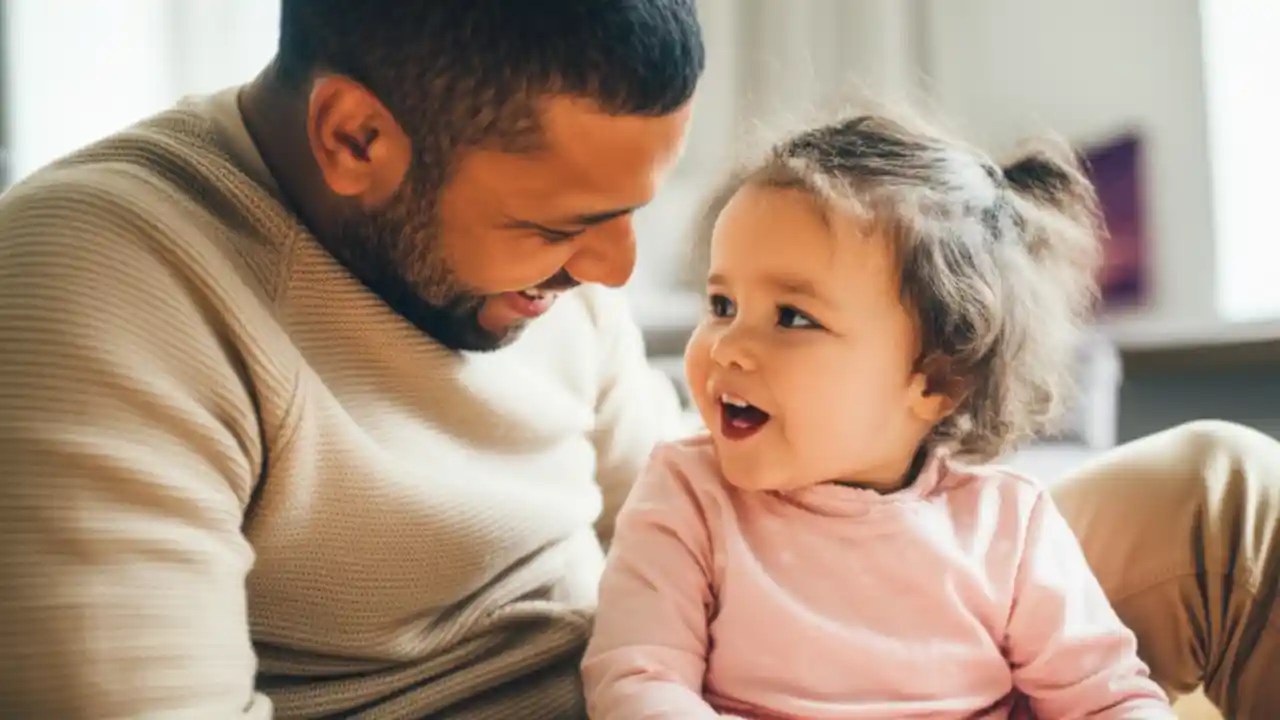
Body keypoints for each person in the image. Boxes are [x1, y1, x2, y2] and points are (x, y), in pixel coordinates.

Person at [0, 3, 1274, 719]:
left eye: (633, 218)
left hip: (735, 659)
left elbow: (710, 494)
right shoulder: (101, 273)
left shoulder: (560, 276)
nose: (614, 278)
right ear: (353, 136)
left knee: (1223, 491)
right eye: (557, 226)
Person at [581, 113, 1176, 718]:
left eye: (791, 317)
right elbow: (640, 680)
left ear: (936, 379)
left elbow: (1107, 698)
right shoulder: (688, 496)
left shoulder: (1006, 525)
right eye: (722, 303)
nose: (727, 345)